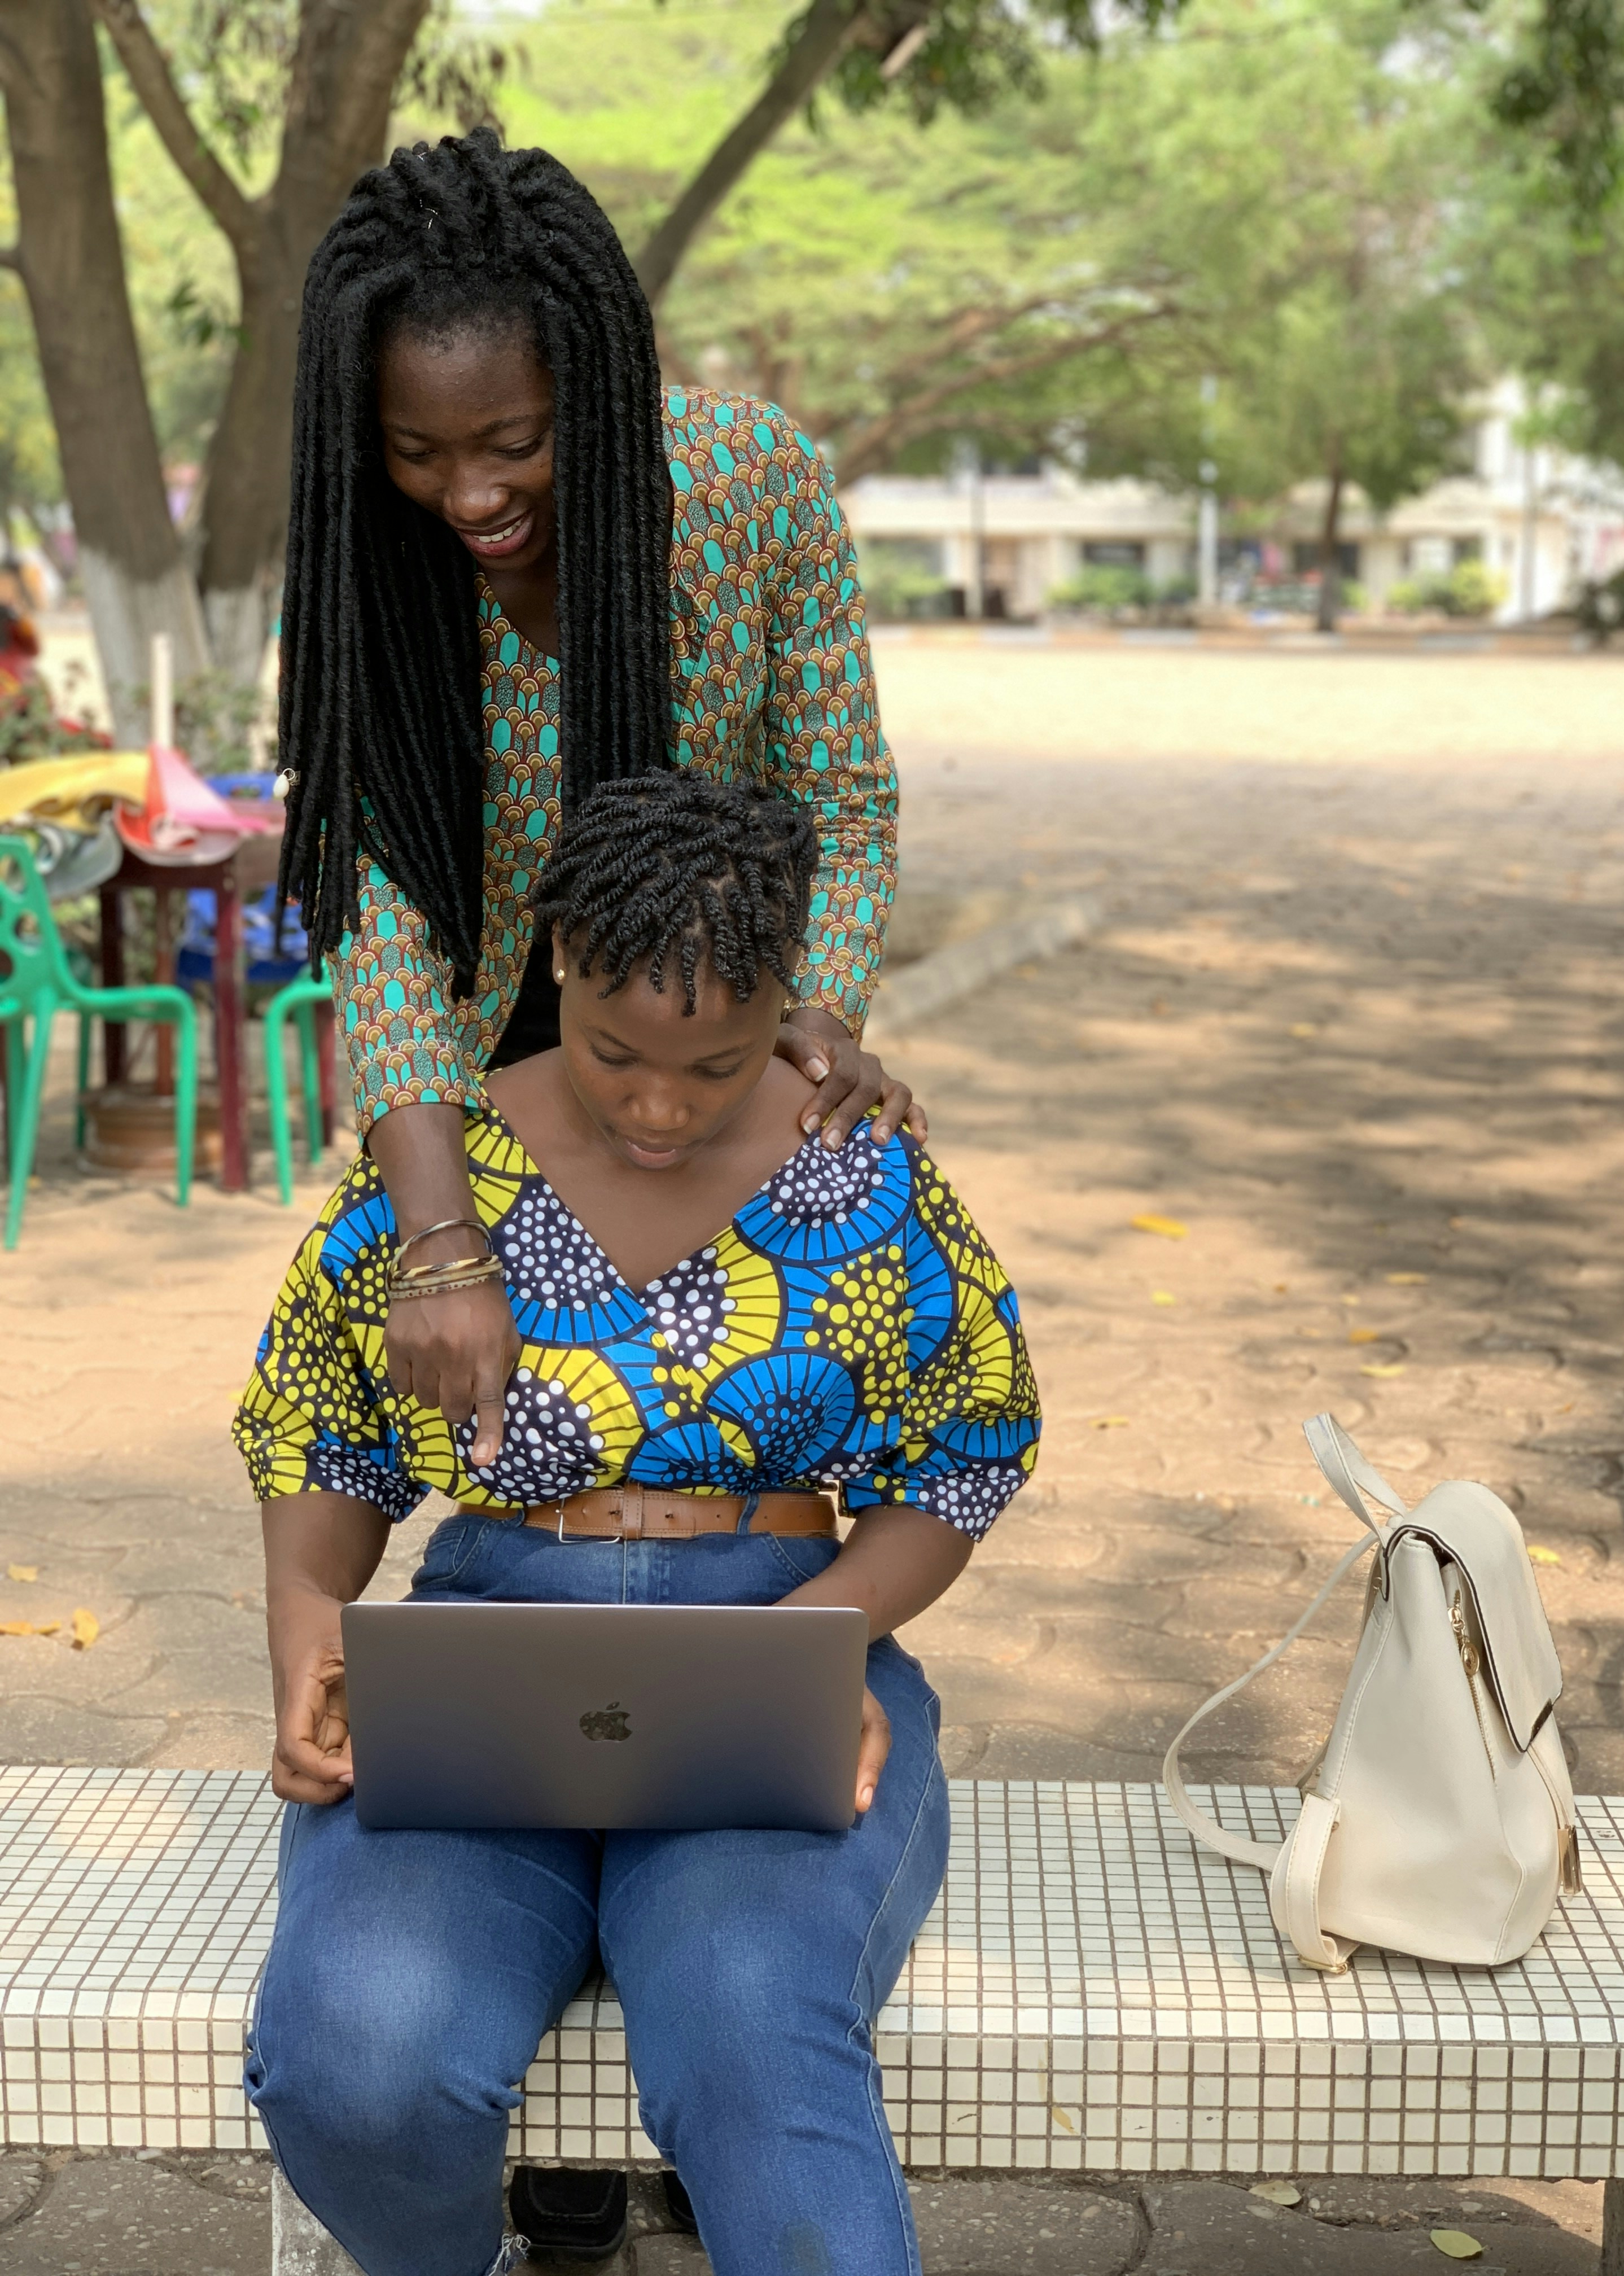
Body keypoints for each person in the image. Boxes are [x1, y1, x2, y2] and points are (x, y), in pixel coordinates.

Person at [235, 774, 1041, 2276]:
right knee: (363, 2048)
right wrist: (303, 1638)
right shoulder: (445, 1167)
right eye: (615, 1054)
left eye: (718, 1066)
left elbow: (962, 1459)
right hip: (490, 1652)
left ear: (795, 1007)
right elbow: (320, 1431)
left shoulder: (859, 1157)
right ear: (555, 961)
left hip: (781, 1640)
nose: (661, 1106)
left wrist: (818, 1644)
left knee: (750, 2032)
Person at [274, 124, 916, 1505]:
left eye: (514, 442)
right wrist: (440, 1231)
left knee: (743, 1406)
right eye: (416, 451)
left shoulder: (751, 486)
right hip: (459, 1062)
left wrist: (819, 1011)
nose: (471, 495)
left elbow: (844, 804)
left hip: (690, 1031)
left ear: (598, 384)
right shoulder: (373, 561)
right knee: (412, 1409)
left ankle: (750, 1661)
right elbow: (375, 887)